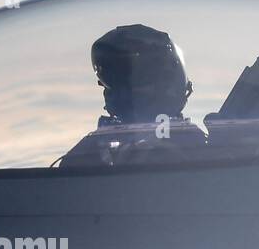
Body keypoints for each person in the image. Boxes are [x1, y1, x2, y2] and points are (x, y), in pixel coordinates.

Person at [58, 24, 206, 167]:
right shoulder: (89, 155)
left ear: (167, 79)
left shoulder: (209, 153)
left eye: (142, 74)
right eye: (118, 76)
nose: (129, 87)